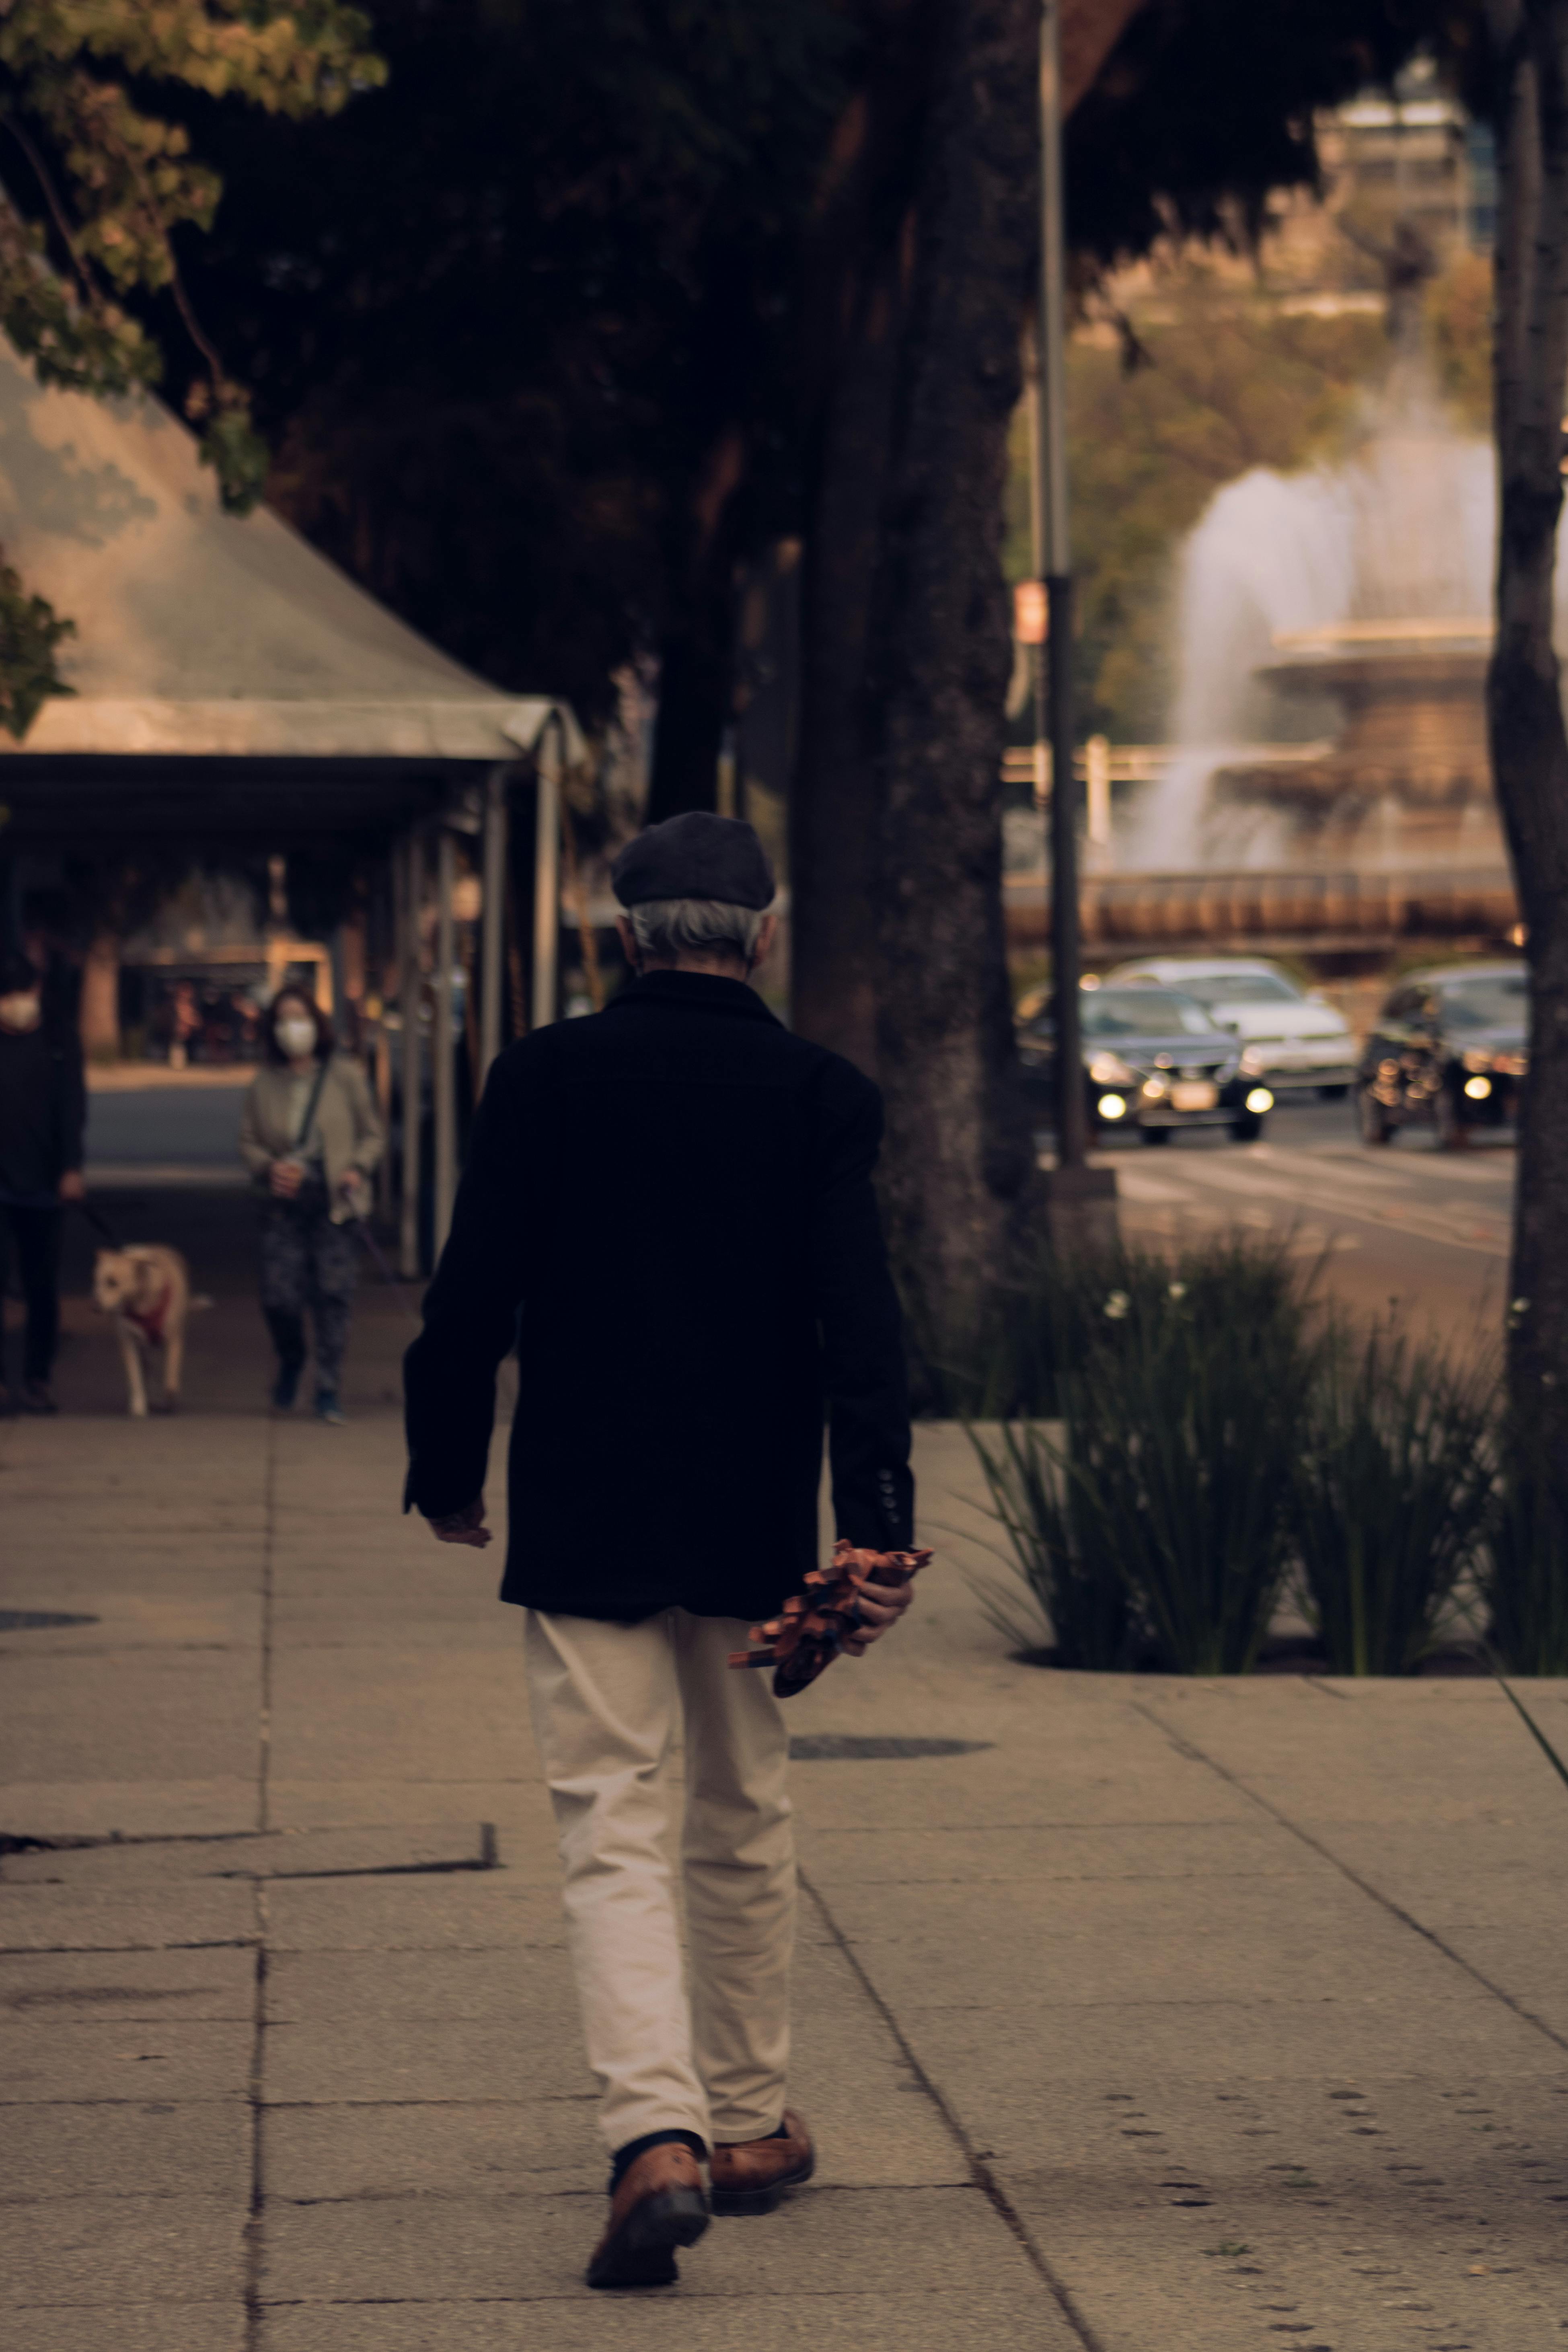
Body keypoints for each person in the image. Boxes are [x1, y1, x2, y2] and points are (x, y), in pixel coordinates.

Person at [403, 812, 917, 2290]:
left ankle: (654, 2133)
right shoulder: (822, 1092)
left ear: (624, 935)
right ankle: (746, 2118)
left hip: (588, 1502)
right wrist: (875, 1523)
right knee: (743, 1804)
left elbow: (472, 1294)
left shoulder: (542, 1074)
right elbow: (861, 1323)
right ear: (763, 936)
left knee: (608, 1813)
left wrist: (448, 1470)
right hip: (753, 1511)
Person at [239, 988, 384, 1424]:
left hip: (335, 1202)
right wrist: (268, 1168)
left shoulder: (344, 1075)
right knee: (279, 1296)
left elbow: (372, 1135)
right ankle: (291, 1358)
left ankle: (327, 1387)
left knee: (333, 1296)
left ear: (316, 1024)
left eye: (300, 1017)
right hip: (284, 1205)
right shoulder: (264, 1083)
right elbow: (248, 1141)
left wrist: (356, 1168)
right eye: (284, 1019)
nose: (293, 1028)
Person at [0, 950, 86, 1415]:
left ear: (36, 990)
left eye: (20, 992)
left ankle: (38, 1378)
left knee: (42, 1286)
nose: (14, 1003)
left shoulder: (58, 1038)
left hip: (45, 1182)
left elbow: (72, 1106)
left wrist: (72, 1167)